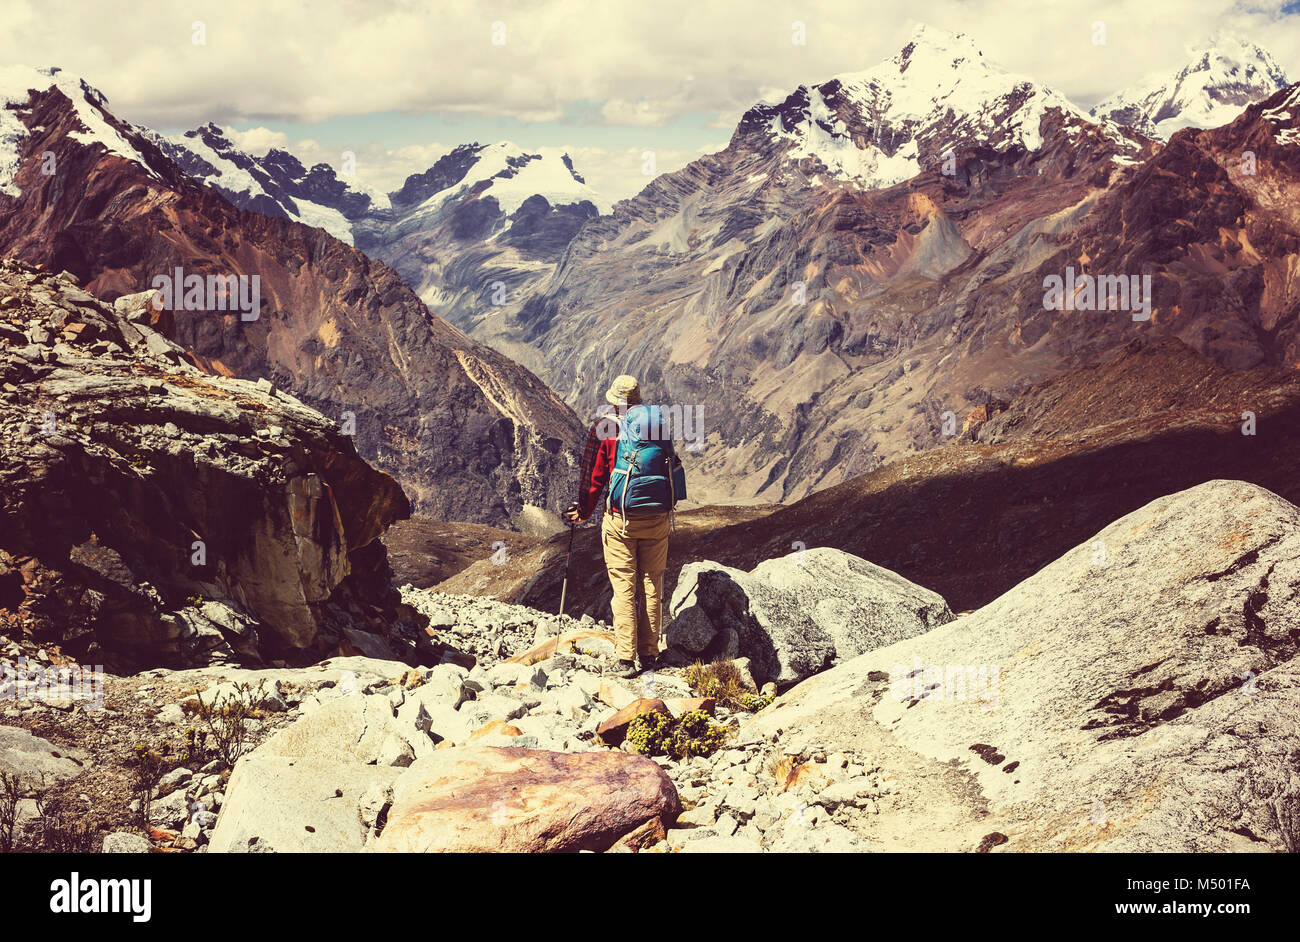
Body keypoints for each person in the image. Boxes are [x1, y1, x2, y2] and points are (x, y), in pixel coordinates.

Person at [565, 374, 682, 679]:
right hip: (657, 516)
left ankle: (625, 659)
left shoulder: (605, 427)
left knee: (624, 585)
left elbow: (593, 478)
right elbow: (672, 462)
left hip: (622, 519)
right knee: (652, 583)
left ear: (614, 399)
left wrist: (584, 511)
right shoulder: (655, 424)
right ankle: (650, 653)